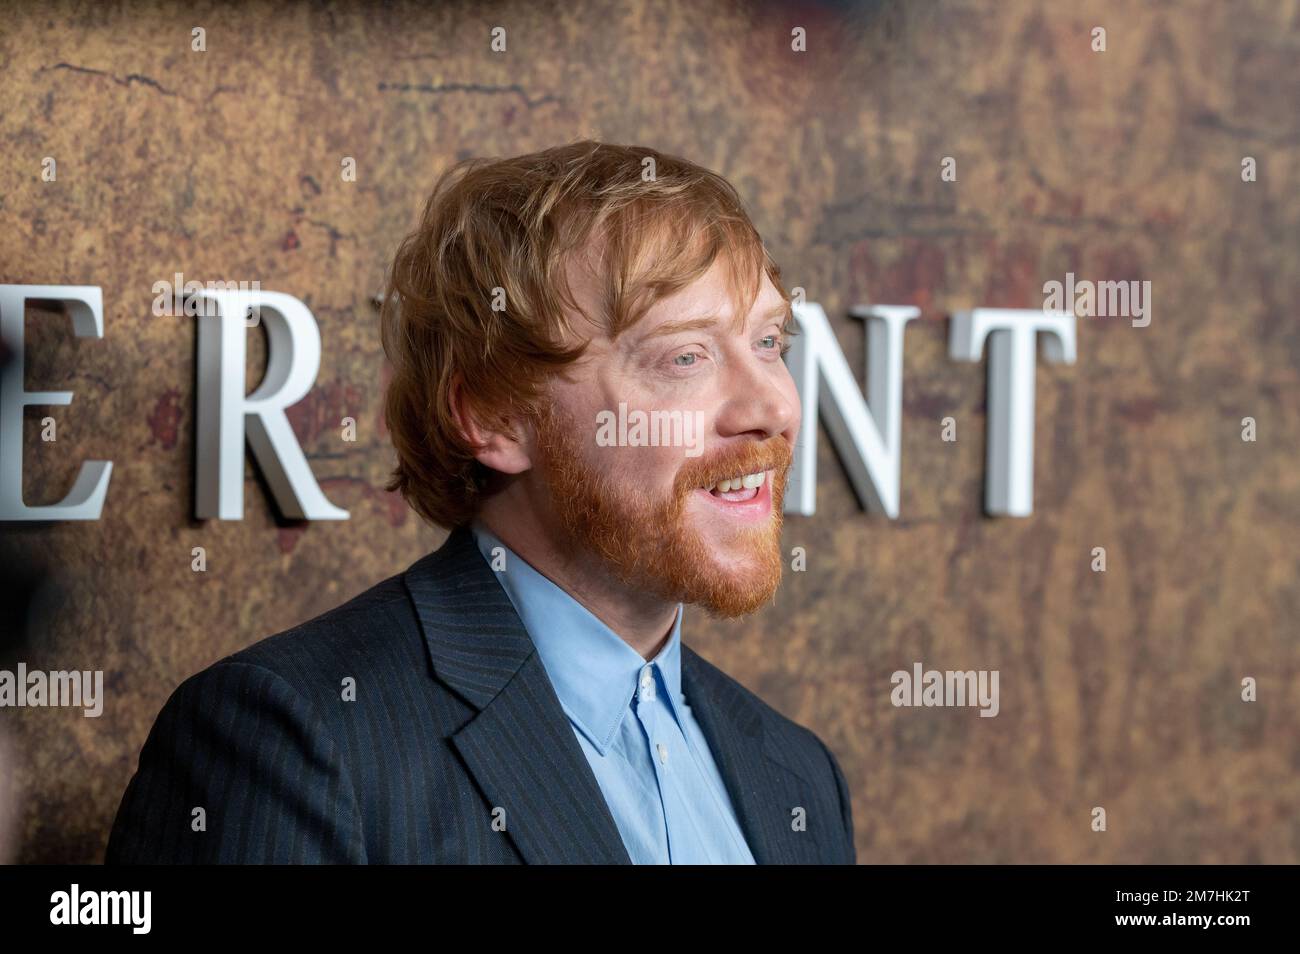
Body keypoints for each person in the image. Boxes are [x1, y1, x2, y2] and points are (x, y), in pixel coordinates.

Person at [106, 140, 855, 864]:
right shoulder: (295, 742)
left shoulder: (799, 777)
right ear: (494, 415)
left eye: (767, 342)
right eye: (684, 356)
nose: (773, 406)